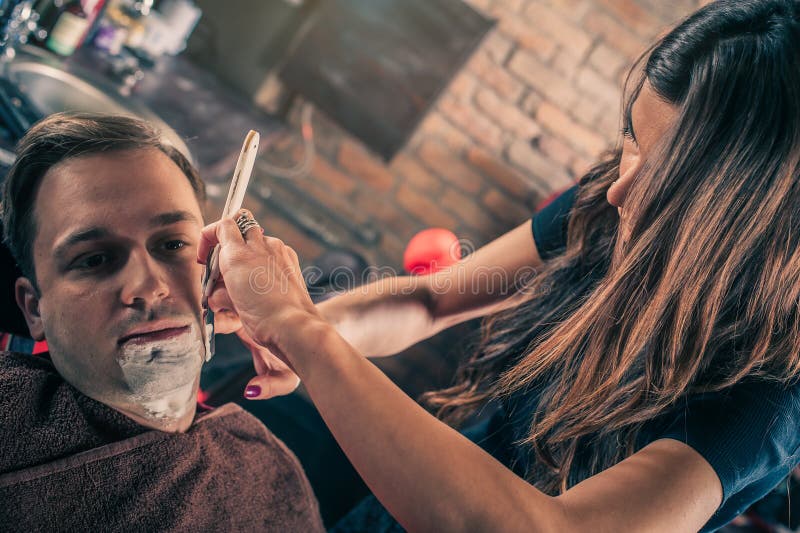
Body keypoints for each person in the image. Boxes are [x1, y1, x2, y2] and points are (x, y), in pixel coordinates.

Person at [199, 0, 800, 531]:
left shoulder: (769, 400)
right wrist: (290, 323)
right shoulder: (604, 207)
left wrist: (302, 332)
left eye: (663, 179)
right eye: (632, 141)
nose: (620, 189)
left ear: (748, 213)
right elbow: (430, 301)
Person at [0, 113, 323, 531]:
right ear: (34, 308)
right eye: (94, 260)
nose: (149, 286)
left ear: (215, 263)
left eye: (172, 244)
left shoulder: (269, 477)